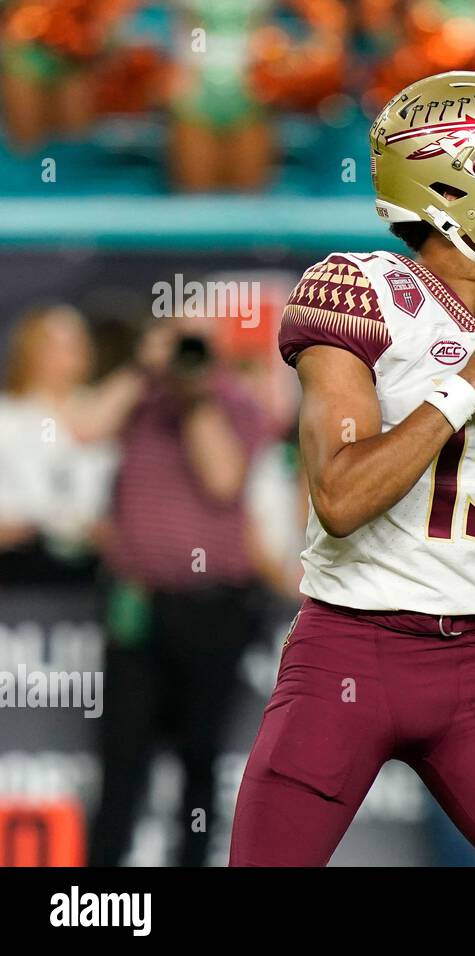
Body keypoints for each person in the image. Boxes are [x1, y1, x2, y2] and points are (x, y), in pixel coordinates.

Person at [229, 70, 475, 867]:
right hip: (349, 651)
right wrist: (468, 385)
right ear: (449, 177)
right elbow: (338, 496)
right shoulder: (360, 291)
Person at [89, 315, 271, 867]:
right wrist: (142, 369)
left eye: (192, 345)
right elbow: (79, 426)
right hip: (138, 605)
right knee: (122, 758)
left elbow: (221, 480)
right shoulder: (139, 403)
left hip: (213, 610)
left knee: (199, 757)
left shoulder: (234, 405)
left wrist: (195, 397)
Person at [0, 304, 123, 583]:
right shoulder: (6, 416)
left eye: (78, 343)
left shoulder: (106, 414)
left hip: (94, 569)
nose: (71, 354)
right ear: (29, 350)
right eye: (55, 344)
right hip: (16, 569)